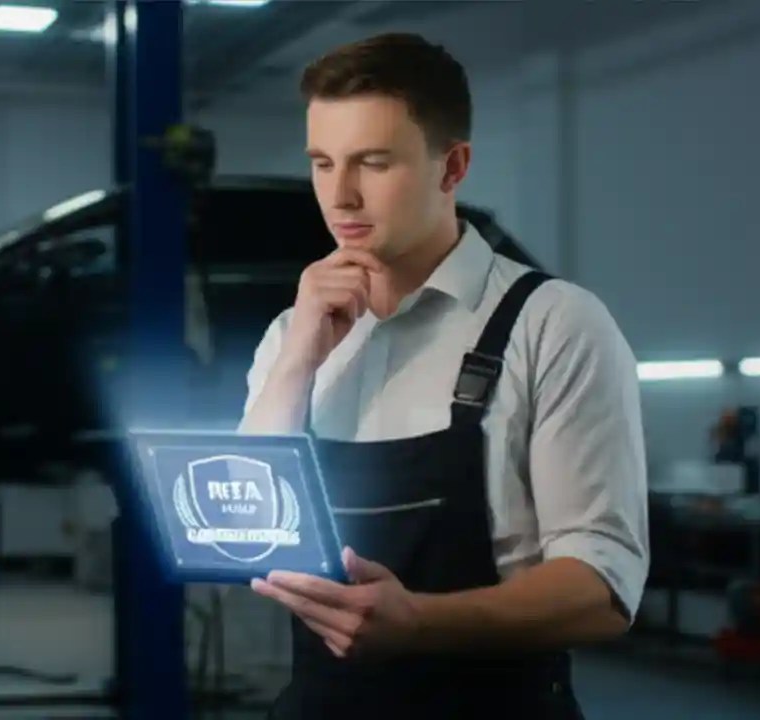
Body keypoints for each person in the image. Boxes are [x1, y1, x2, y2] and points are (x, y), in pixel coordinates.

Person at [238, 33, 649, 719]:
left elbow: (603, 589)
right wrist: (296, 362)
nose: (340, 196)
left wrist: (421, 623)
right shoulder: (292, 333)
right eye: (322, 163)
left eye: (373, 163)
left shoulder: (553, 324)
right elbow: (243, 534)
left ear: (452, 167)